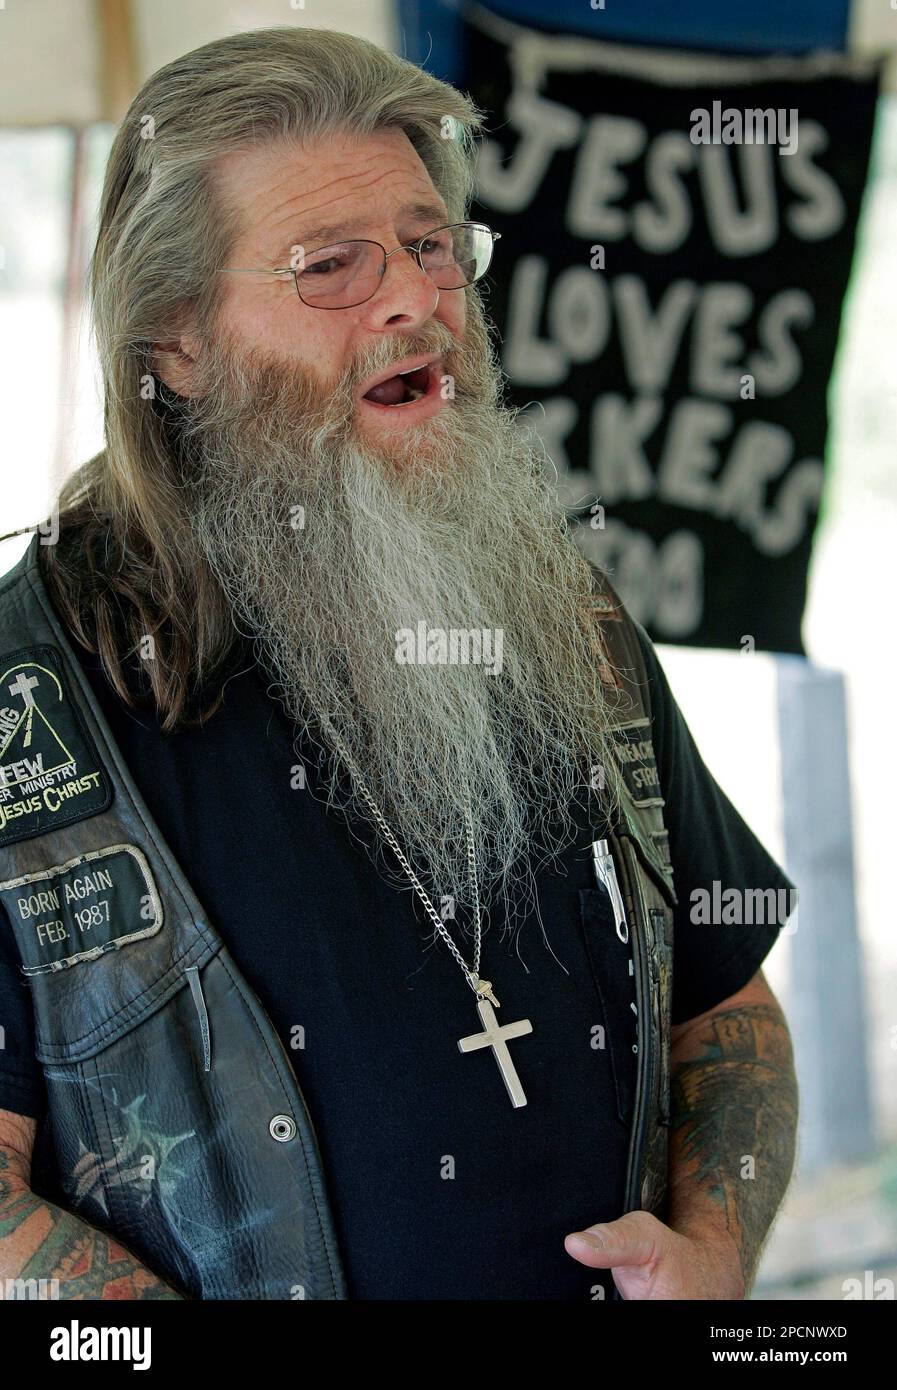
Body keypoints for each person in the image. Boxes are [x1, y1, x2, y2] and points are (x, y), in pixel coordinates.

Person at [0, 27, 797, 1301]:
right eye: (331, 266)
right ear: (175, 342)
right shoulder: (25, 707)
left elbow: (727, 1010)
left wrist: (714, 1252)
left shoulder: (558, 613)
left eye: (431, 246)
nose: (416, 302)